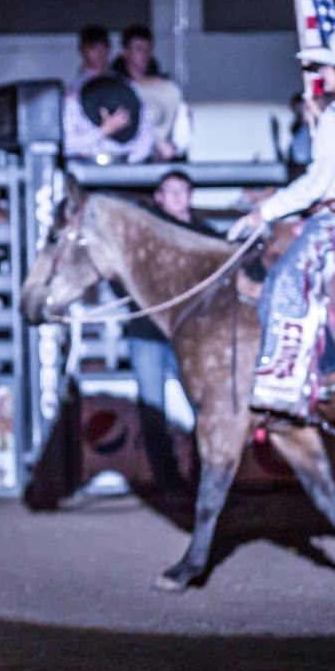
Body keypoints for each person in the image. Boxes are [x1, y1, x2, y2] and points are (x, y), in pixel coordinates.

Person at [227, 30, 335, 419]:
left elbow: (317, 183)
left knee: (287, 279)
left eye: (327, 67)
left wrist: (263, 212)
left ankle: (283, 380)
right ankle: (326, 365)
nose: (320, 71)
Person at [125, 170, 214, 485]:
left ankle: (204, 474)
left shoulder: (205, 235)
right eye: (170, 191)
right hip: (148, 334)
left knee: (203, 407)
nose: (177, 196)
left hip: (189, 338)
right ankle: (167, 480)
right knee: (153, 410)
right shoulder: (145, 236)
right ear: (159, 197)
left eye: (183, 190)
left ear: (190, 195)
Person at [63, 23, 159, 163]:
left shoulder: (127, 87)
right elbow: (66, 145)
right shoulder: (72, 96)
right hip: (87, 167)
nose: (100, 54)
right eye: (93, 48)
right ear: (82, 51)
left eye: (104, 48)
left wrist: (132, 160)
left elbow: (147, 130)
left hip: (124, 166)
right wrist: (103, 131)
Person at [112, 24, 190, 161]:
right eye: (138, 49)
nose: (144, 54)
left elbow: (178, 119)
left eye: (147, 49)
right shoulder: (111, 87)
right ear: (125, 52)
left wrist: (174, 147)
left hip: (158, 155)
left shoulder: (165, 87)